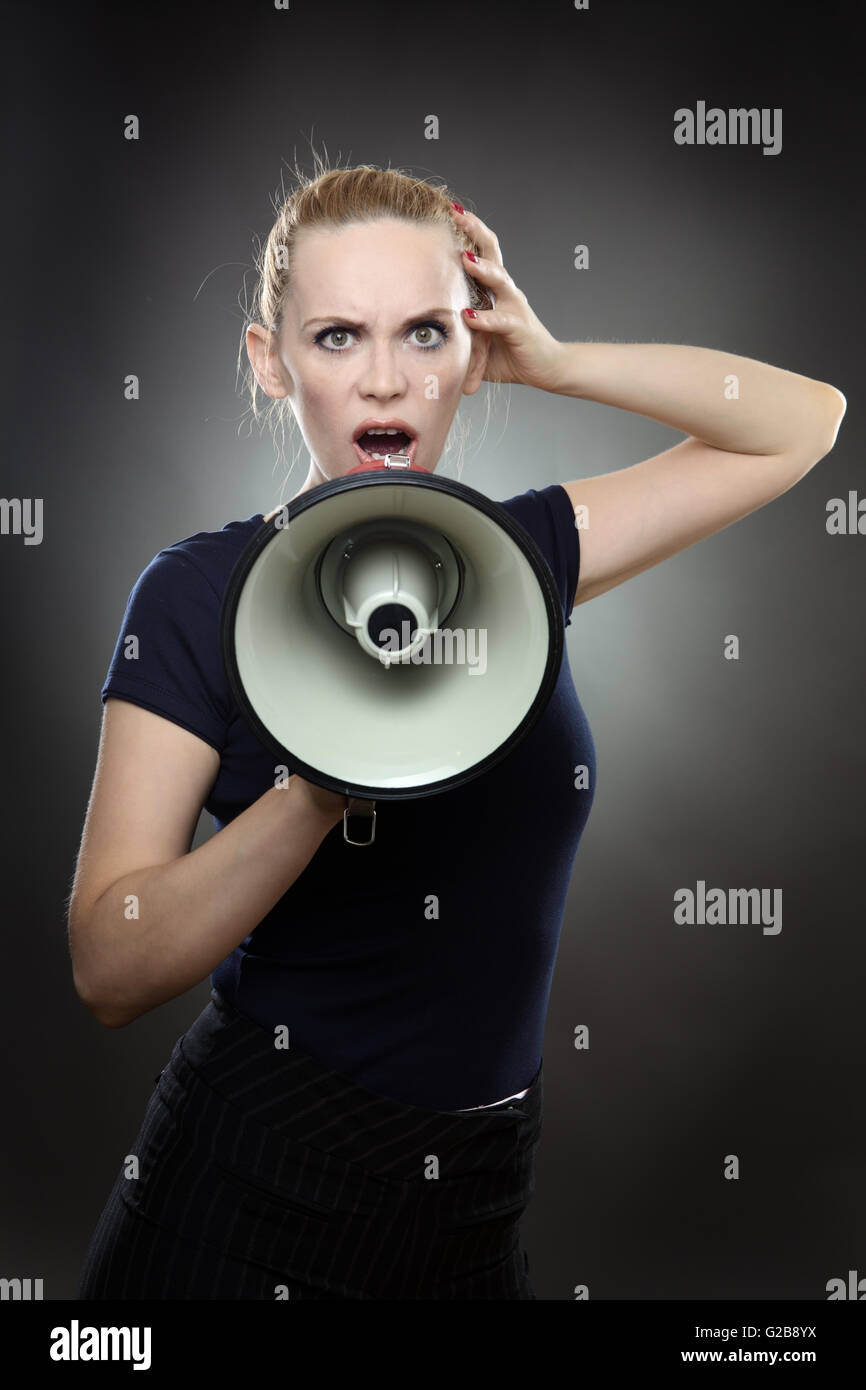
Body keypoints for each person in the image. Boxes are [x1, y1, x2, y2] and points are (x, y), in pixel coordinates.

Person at [69, 159, 846, 1300]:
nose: (385, 380)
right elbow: (109, 962)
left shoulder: (522, 557)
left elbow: (800, 425)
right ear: (268, 361)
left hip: (476, 1200)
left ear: (469, 353)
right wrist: (317, 787)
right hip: (256, 1186)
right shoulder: (192, 596)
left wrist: (561, 363)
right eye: (336, 338)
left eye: (425, 334)